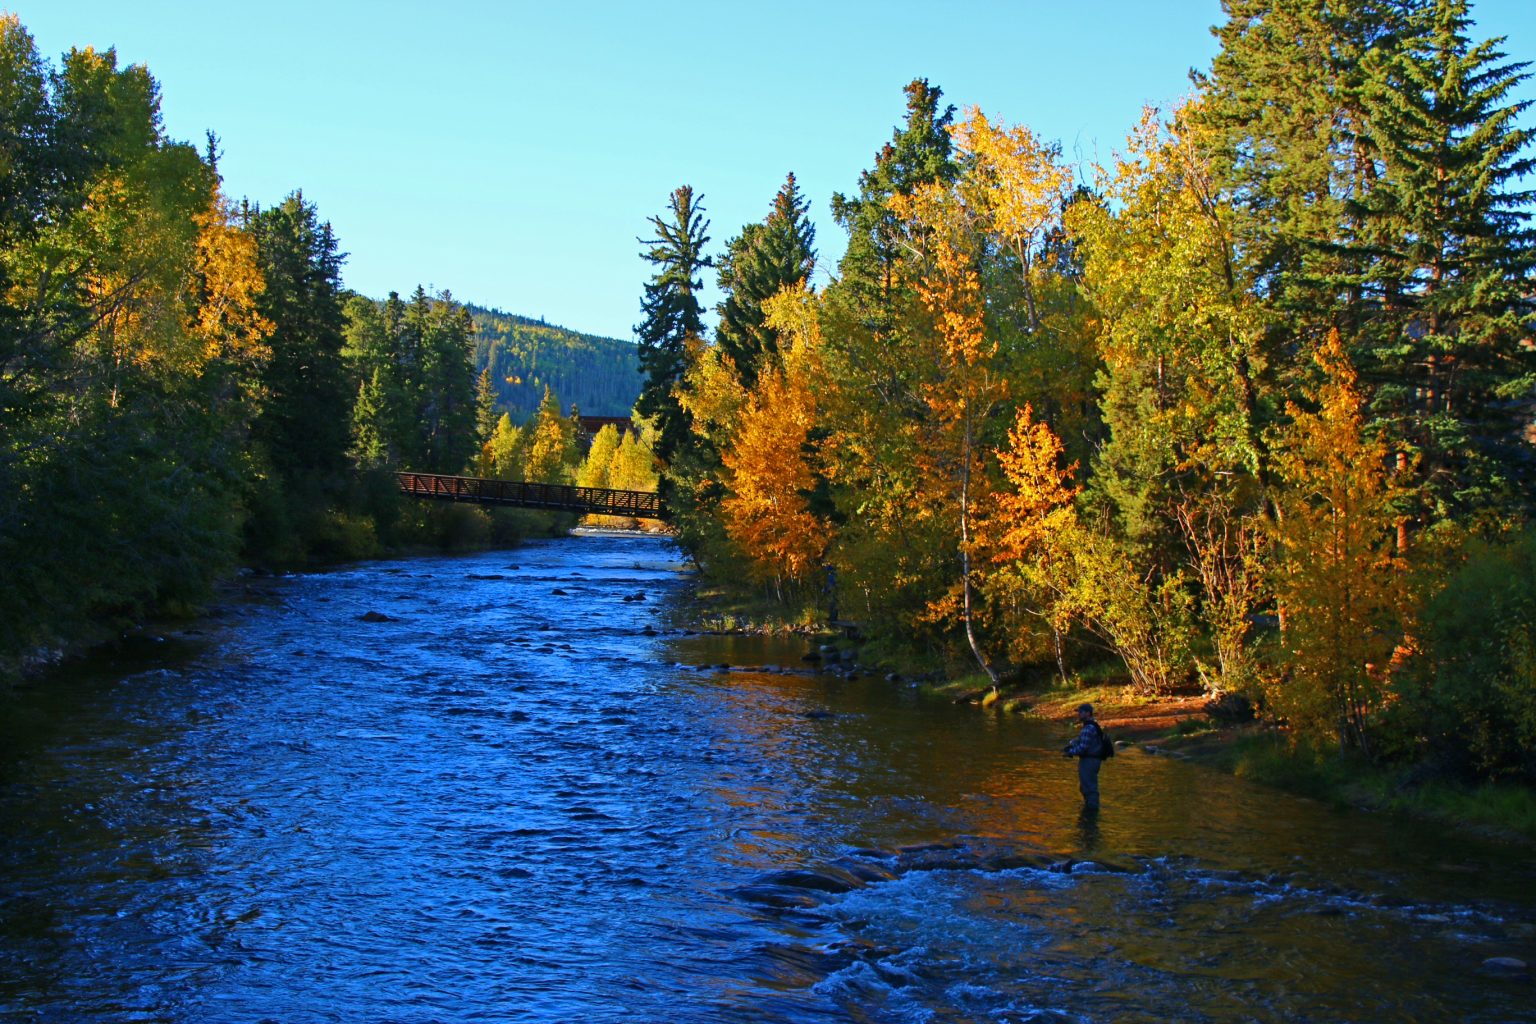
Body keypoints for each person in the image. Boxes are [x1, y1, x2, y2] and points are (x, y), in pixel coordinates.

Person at [1063, 703, 1107, 810]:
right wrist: (1074, 742)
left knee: (1089, 788)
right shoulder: (1093, 725)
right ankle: (1090, 808)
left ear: (1088, 713)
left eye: (1081, 712)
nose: (1078, 714)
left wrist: (1070, 752)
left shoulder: (1088, 728)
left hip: (1089, 761)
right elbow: (1085, 742)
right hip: (1093, 760)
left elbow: (1083, 748)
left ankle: (1092, 811)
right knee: (1086, 787)